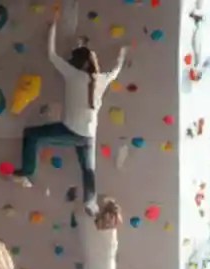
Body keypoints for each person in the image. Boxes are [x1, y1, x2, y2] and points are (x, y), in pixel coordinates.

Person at [11, 8, 126, 214]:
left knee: (32, 135)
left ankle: (27, 171)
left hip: (71, 132)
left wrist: (52, 28)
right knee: (88, 170)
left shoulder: (73, 75)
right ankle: (90, 202)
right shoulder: (101, 79)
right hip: (88, 136)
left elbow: (51, 55)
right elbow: (115, 72)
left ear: (79, 63)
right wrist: (121, 55)